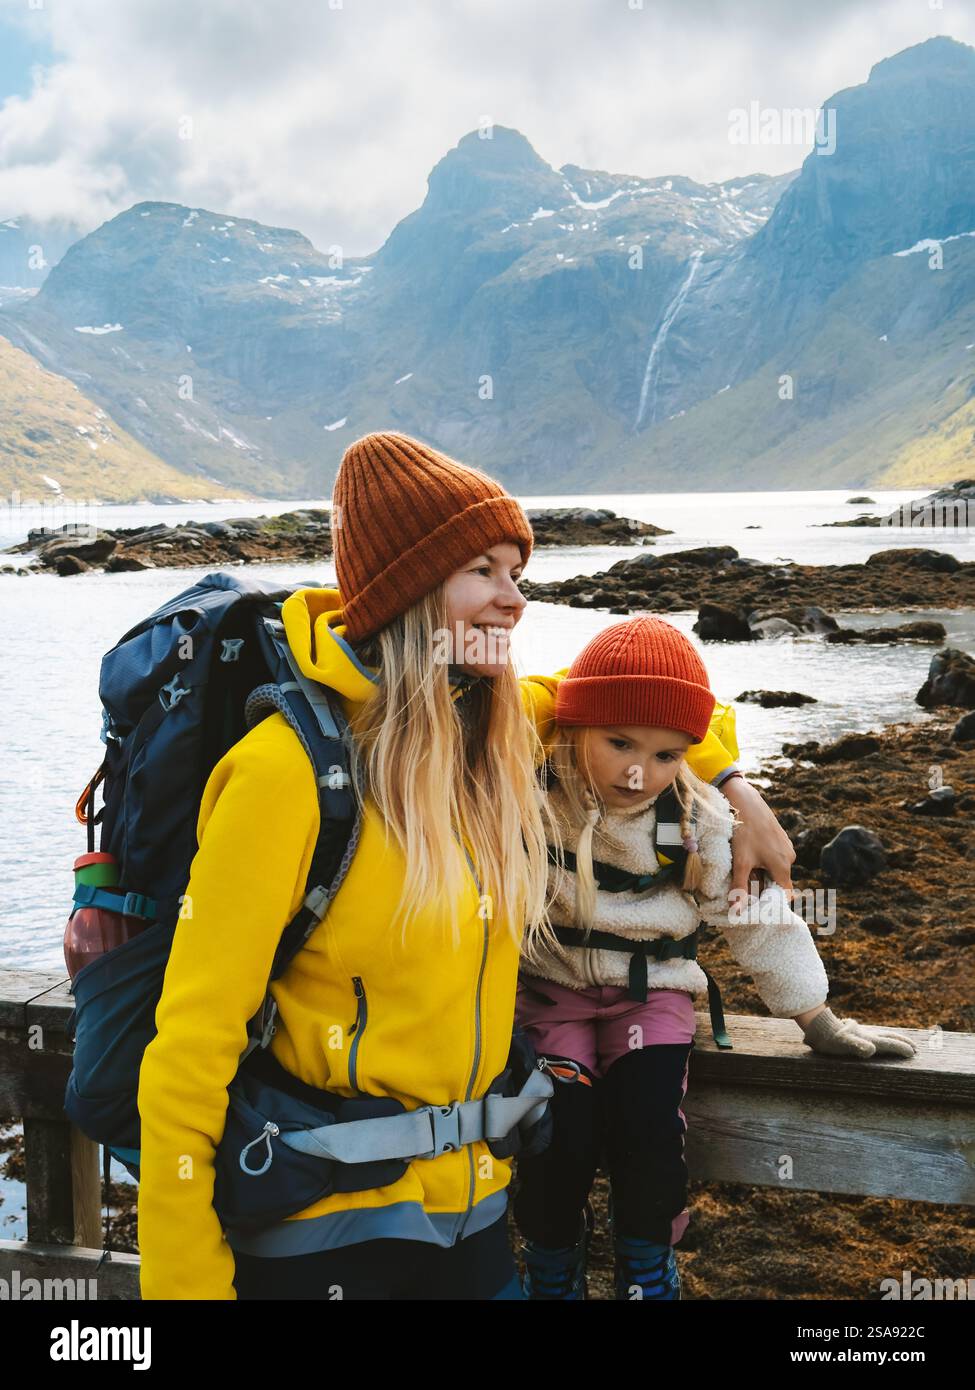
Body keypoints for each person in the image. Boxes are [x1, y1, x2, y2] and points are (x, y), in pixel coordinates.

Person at [135, 431, 800, 1300]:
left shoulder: (494, 729)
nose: (512, 600)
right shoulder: (283, 772)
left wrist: (737, 789)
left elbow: (644, 702)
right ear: (409, 588)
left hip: (480, 1224)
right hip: (327, 1234)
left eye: (515, 573)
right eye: (482, 571)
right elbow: (189, 1050)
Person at [512, 616, 918, 1301]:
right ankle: (553, 1265)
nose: (640, 771)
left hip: (651, 999)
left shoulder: (696, 818)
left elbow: (754, 916)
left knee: (649, 1135)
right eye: (618, 743)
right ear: (572, 724)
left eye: (669, 754)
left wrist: (813, 1015)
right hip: (551, 999)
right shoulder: (526, 796)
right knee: (556, 1136)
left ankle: (647, 1271)